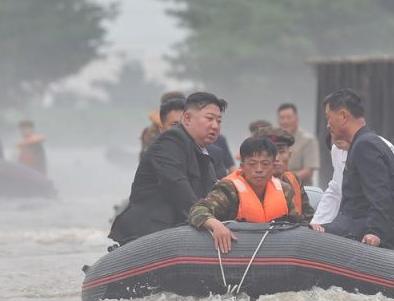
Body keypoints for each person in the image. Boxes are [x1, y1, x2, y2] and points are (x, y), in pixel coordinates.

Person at [110, 92, 227, 244]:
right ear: (187, 119)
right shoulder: (171, 140)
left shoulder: (203, 151)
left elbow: (213, 191)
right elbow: (175, 183)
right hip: (149, 232)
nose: (215, 126)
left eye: (219, 121)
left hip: (180, 230)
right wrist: (205, 218)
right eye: (209, 119)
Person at [311, 88, 394, 251]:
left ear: (343, 116)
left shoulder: (365, 145)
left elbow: (380, 194)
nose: (327, 125)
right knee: (313, 231)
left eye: (328, 118)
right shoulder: (366, 142)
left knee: (311, 239)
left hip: (365, 232)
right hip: (352, 225)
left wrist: (374, 231)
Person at [311, 133, 394, 250]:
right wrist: (317, 223)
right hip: (364, 213)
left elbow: (393, 193)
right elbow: (335, 189)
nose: (337, 139)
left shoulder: (377, 146)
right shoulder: (336, 150)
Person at [189, 137, 302, 253]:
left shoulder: (284, 190)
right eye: (252, 164)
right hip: (236, 252)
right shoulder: (229, 188)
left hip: (274, 251)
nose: (259, 170)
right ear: (242, 166)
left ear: (273, 166)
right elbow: (198, 210)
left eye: (265, 164)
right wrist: (216, 225)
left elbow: (297, 223)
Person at [258, 127, 314, 221]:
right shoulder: (255, 183)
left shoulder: (294, 180)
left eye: (281, 152)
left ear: (289, 154)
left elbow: (309, 215)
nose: (276, 158)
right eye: (269, 152)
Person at [277, 103, 319, 185]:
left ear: (297, 119)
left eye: (289, 117)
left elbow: (309, 171)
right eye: (282, 118)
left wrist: (285, 180)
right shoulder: (272, 139)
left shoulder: (308, 140)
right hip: (275, 187)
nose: (285, 121)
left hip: (301, 187)